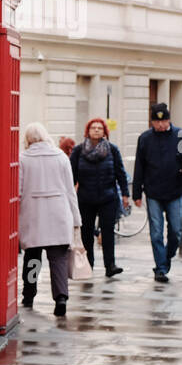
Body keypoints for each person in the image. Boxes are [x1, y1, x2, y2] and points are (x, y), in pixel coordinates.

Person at [131, 102, 182, 283]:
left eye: (164, 121)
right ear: (152, 122)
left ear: (169, 119)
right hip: (153, 191)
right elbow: (139, 166)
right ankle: (161, 268)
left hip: (175, 190)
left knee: (176, 231)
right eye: (156, 122)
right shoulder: (145, 138)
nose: (161, 125)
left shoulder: (181, 136)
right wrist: (136, 193)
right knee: (156, 232)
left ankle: (166, 257)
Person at [18, 122, 81, 316]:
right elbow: (71, 191)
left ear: (27, 139)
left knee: (33, 258)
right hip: (59, 214)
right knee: (58, 260)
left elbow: (18, 191)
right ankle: (61, 297)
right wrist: (76, 220)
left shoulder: (22, 158)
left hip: (33, 214)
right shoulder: (61, 157)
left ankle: (29, 294)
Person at [70, 117, 131, 277]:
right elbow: (71, 175)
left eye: (99, 128)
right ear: (87, 131)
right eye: (93, 128)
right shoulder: (78, 151)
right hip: (85, 198)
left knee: (108, 232)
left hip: (108, 197)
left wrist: (125, 194)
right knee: (87, 233)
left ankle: (110, 265)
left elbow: (120, 173)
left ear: (104, 132)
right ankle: (88, 263)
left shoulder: (112, 149)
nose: (96, 130)